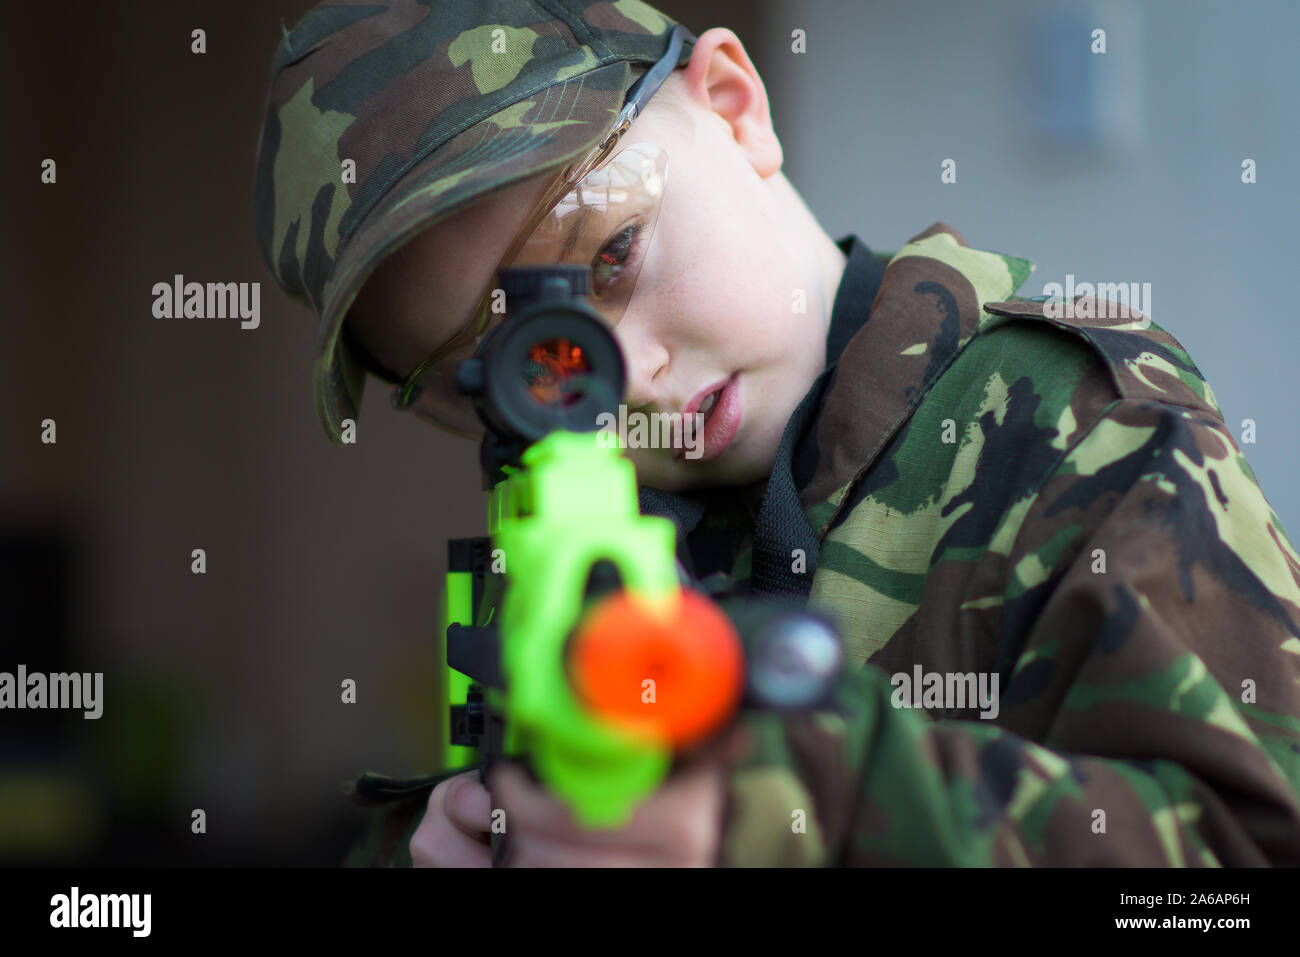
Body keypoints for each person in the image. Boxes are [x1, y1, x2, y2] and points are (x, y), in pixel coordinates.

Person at [253, 0, 1300, 866]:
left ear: (733, 104)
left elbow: (1236, 857)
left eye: (608, 257)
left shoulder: (1076, 427)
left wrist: (799, 804)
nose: (624, 387)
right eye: (497, 373)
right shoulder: (559, 535)